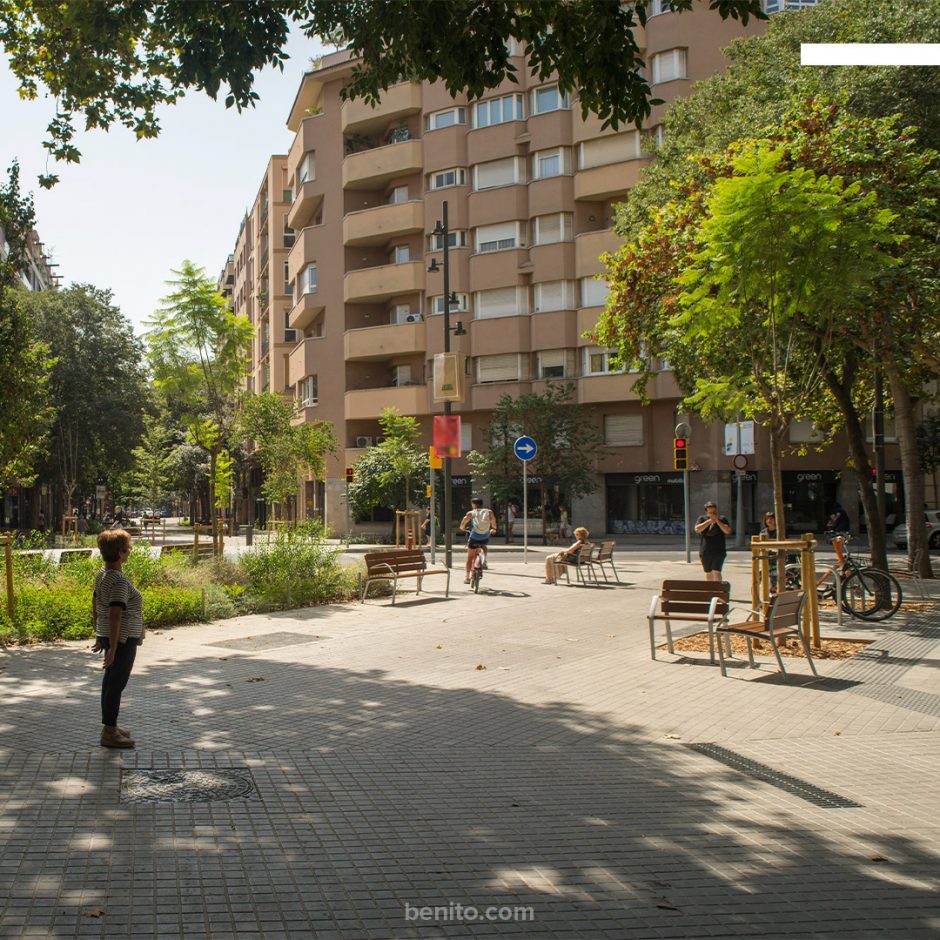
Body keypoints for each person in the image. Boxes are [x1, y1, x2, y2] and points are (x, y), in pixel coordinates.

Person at [92, 529, 144, 748]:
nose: (129, 552)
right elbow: (115, 614)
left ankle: (110, 726)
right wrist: (113, 648)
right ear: (121, 552)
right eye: (128, 549)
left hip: (110, 636)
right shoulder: (119, 580)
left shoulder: (102, 574)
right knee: (116, 685)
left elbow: (95, 605)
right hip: (121, 639)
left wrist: (99, 634)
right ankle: (109, 732)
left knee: (110, 683)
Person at [458, 497, 496, 583]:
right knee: (484, 546)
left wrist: (462, 527)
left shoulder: (471, 513)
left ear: (474, 504)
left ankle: (467, 577)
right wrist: (494, 528)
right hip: (485, 538)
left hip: (474, 538)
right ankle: (484, 561)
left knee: (470, 557)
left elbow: (464, 520)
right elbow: (493, 520)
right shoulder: (489, 512)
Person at [694, 501, 732, 581]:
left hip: (719, 550)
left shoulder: (722, 519)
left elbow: (727, 531)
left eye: (714, 512)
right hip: (706, 550)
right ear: (706, 512)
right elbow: (697, 529)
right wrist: (710, 521)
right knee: (709, 572)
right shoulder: (702, 519)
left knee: (716, 571)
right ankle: (710, 591)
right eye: (710, 512)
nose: (713, 514)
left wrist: (717, 521)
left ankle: (718, 591)